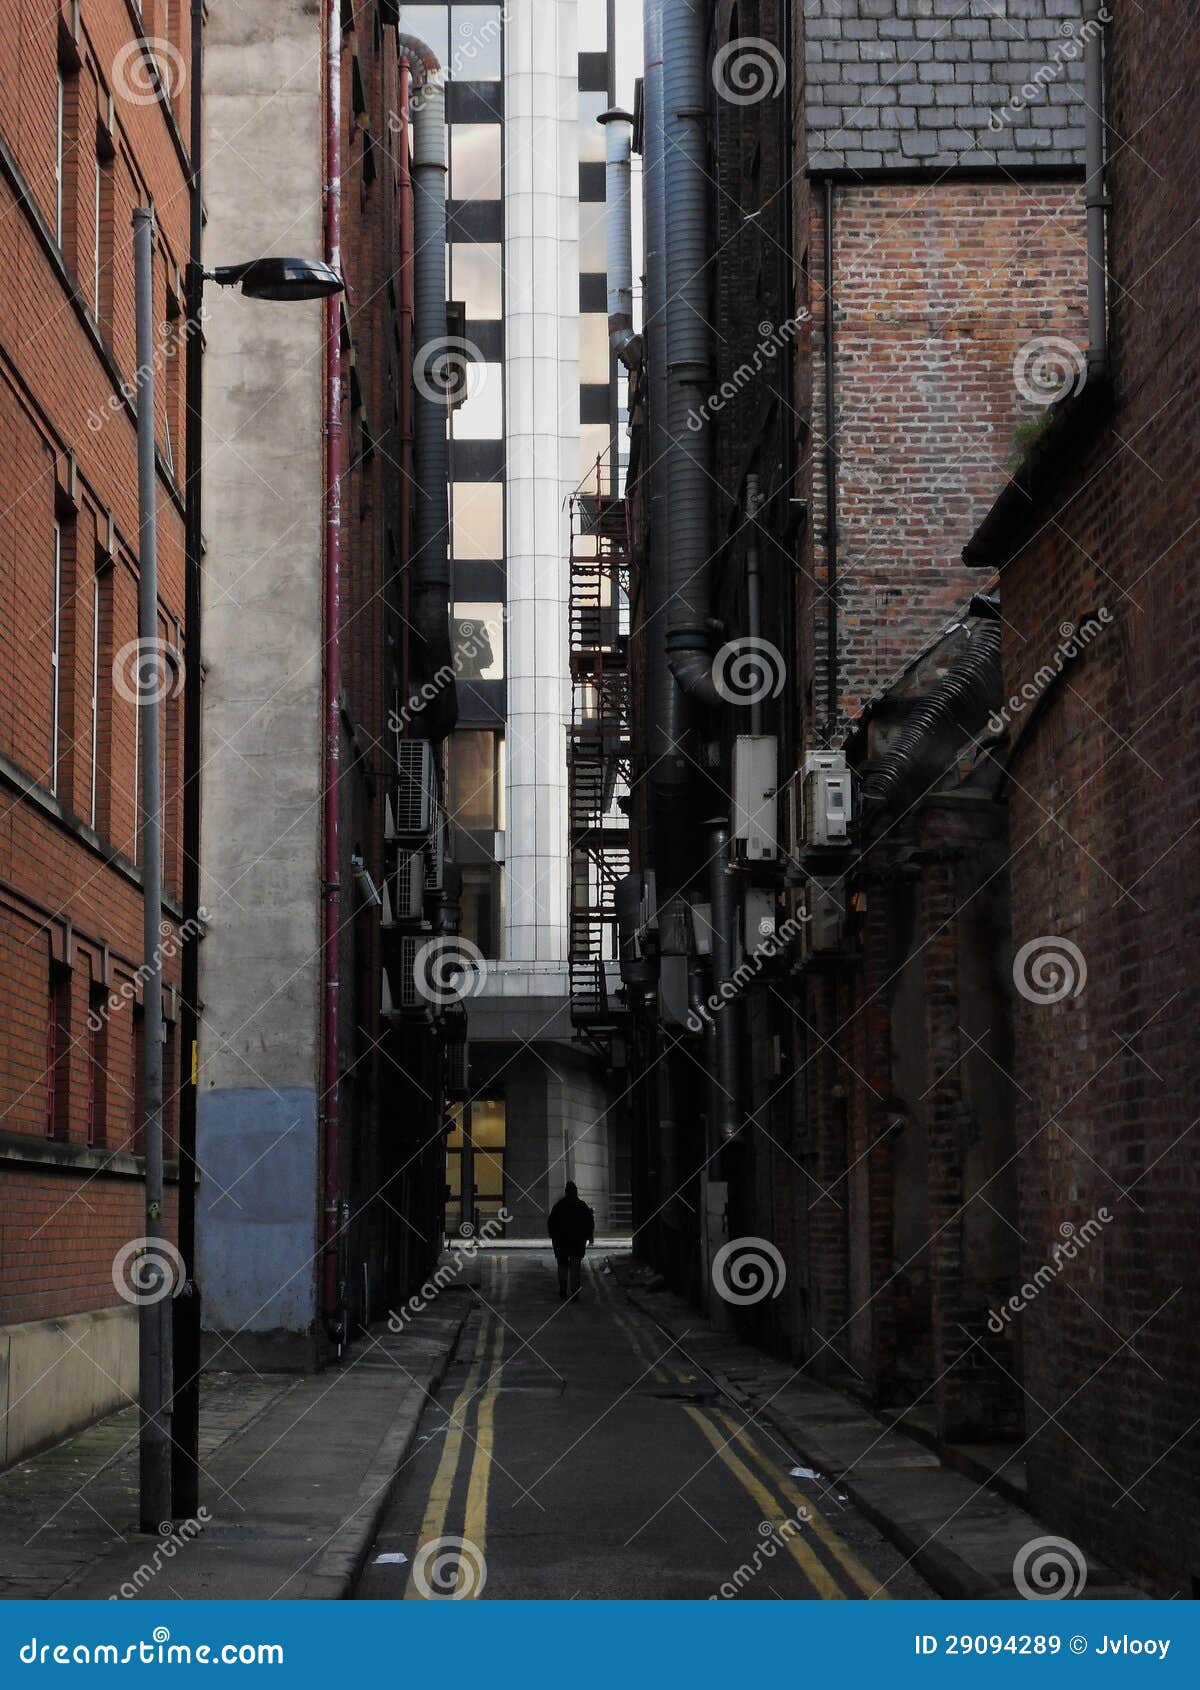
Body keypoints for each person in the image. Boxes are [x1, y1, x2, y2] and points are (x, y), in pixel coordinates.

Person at [547, 1181, 594, 1301]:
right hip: (577, 1242)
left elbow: (551, 1223)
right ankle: (574, 1292)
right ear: (575, 1192)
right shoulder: (582, 1206)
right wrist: (589, 1237)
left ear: (566, 1192)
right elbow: (589, 1223)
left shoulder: (559, 1206)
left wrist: (554, 1237)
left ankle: (563, 1290)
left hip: (561, 1242)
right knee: (575, 1267)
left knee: (562, 1266)